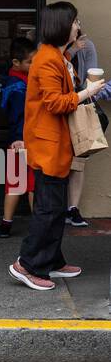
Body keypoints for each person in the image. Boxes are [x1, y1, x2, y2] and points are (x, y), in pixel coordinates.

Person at [10, 3, 106, 291]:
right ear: (63, 25)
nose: (79, 25)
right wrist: (86, 92)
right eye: (75, 21)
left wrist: (75, 53)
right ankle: (27, 264)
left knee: (53, 206)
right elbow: (54, 103)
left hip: (55, 144)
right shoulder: (48, 60)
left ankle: (52, 260)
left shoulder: (58, 56)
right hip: (48, 144)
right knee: (48, 209)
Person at [0, 37, 37, 238]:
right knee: (30, 185)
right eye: (29, 62)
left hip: (17, 140)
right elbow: (19, 116)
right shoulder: (19, 87)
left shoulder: (13, 81)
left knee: (16, 184)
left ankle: (6, 225)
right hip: (23, 139)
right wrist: (20, 138)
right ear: (16, 63)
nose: (33, 65)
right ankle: (39, 226)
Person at [64, 28, 106, 228]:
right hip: (58, 108)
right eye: (73, 22)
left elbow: (91, 78)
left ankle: (73, 208)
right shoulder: (48, 50)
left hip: (79, 107)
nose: (77, 26)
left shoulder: (87, 46)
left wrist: (93, 89)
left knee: (79, 159)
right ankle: (55, 209)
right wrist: (71, 51)